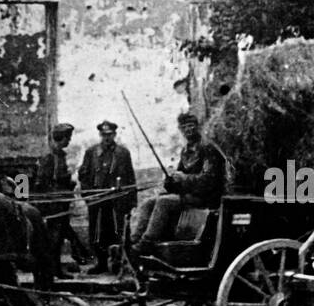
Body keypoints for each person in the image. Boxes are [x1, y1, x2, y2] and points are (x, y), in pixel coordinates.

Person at [130, 111, 225, 257]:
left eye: (192, 126)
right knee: (148, 202)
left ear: (197, 127)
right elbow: (178, 183)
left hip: (204, 197)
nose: (189, 130)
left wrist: (184, 178)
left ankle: (147, 242)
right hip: (188, 195)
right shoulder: (185, 152)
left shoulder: (208, 149)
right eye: (185, 127)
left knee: (164, 202)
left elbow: (209, 180)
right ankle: (134, 240)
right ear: (181, 130)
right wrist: (170, 181)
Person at [77, 121, 137, 273]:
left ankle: (117, 264)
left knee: (117, 232)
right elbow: (83, 175)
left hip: (117, 200)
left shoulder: (123, 153)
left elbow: (130, 177)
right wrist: (88, 195)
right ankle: (101, 263)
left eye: (109, 135)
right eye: (104, 135)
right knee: (97, 233)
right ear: (100, 135)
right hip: (97, 199)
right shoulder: (91, 152)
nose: (106, 138)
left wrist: (131, 201)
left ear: (115, 135)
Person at [32, 123, 88, 274]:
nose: (69, 141)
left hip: (61, 202)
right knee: (55, 239)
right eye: (67, 138)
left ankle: (67, 262)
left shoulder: (59, 154)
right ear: (60, 138)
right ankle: (55, 269)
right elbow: (43, 181)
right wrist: (69, 180)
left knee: (60, 235)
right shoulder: (50, 156)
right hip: (54, 203)